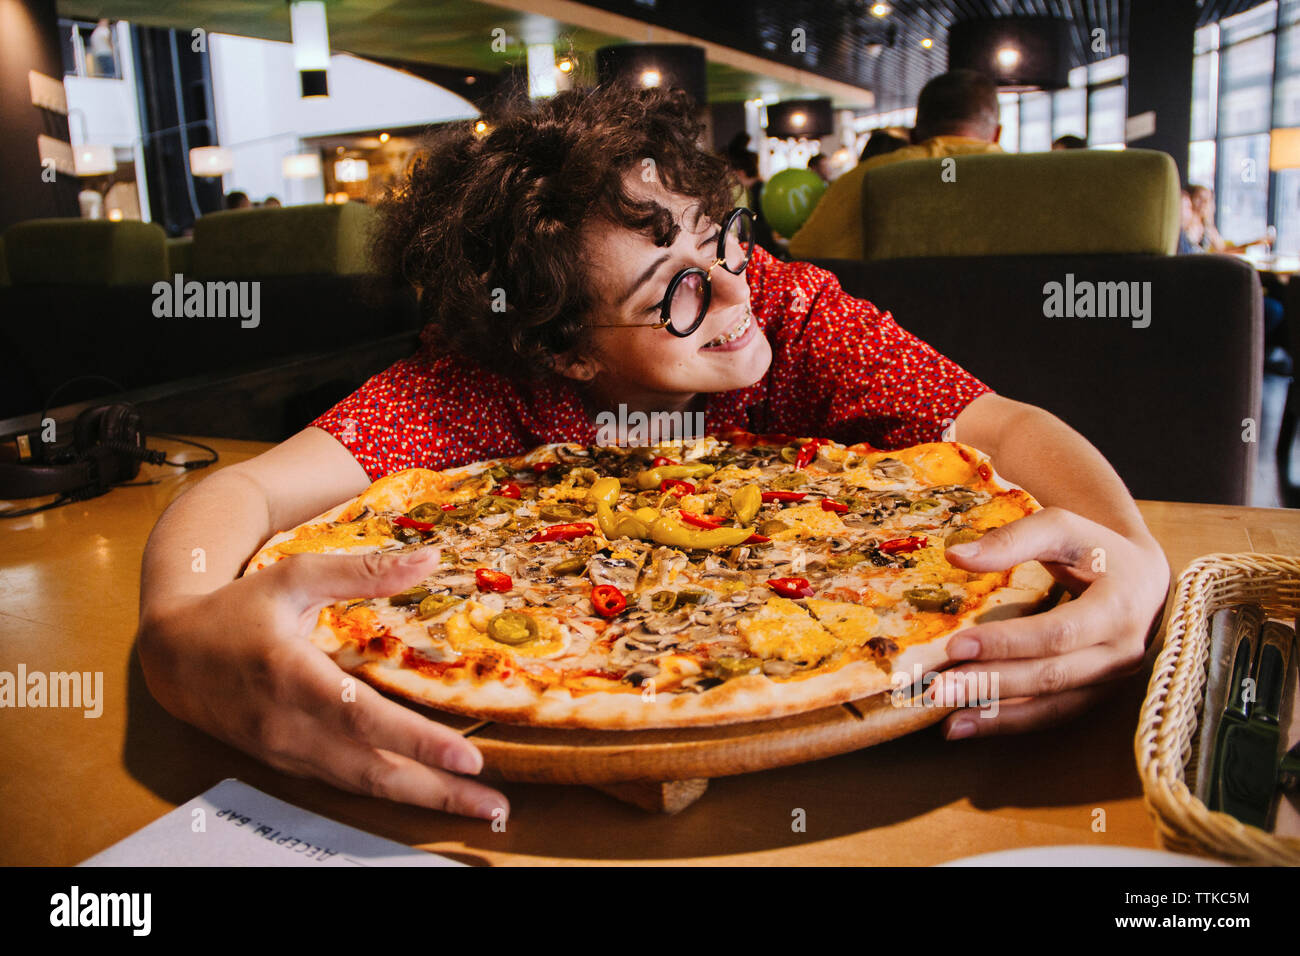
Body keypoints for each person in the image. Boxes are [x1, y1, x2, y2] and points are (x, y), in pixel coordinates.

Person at [135, 84, 1169, 820]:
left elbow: (1006, 429)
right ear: (564, 354)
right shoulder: (481, 386)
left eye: (719, 233)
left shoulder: (790, 312)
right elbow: (243, 493)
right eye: (668, 288)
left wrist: (1133, 558)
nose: (731, 290)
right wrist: (179, 628)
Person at [789, 70, 1005, 260]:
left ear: (913, 135)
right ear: (997, 134)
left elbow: (803, 254)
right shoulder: (1027, 182)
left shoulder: (863, 179)